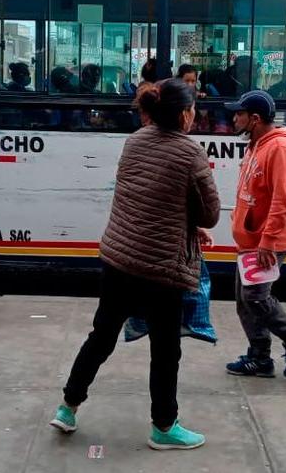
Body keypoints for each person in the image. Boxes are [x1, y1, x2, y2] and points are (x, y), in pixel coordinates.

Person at [50, 78, 220, 450]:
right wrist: (193, 222)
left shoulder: (135, 139)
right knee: (165, 351)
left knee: (102, 336)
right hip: (160, 267)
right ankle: (164, 427)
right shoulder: (189, 152)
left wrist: (185, 222)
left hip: (119, 258)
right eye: (194, 109)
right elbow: (210, 214)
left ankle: (68, 407)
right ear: (184, 113)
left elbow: (150, 199)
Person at [223, 90, 286, 379]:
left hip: (266, 242)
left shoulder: (280, 148)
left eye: (239, 113)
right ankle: (260, 357)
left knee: (255, 297)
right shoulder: (256, 144)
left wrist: (268, 241)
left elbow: (283, 200)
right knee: (244, 300)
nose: (234, 118)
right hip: (250, 240)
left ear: (255, 118)